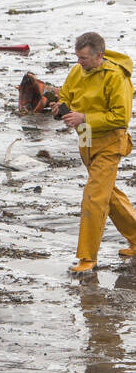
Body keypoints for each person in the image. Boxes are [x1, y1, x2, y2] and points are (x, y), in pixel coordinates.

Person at [53, 32, 136, 273]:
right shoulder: (78, 71)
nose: (80, 62)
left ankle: (87, 258)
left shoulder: (116, 77)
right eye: (78, 57)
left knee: (94, 197)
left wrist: (84, 117)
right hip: (86, 138)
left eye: (85, 58)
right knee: (107, 193)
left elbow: (120, 117)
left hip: (110, 141)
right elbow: (67, 95)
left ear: (99, 55)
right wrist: (60, 109)